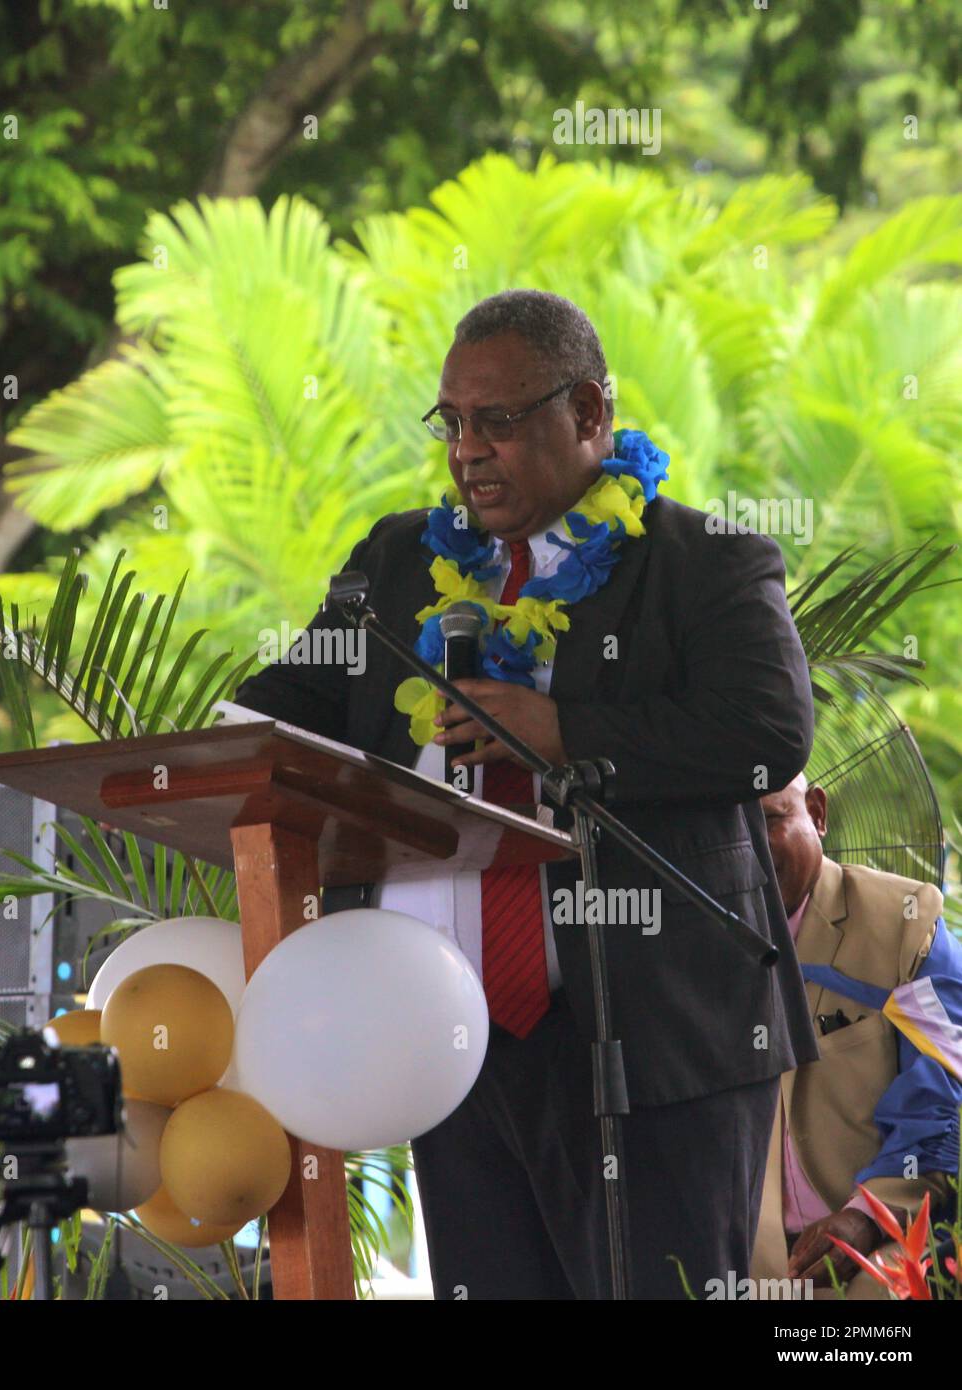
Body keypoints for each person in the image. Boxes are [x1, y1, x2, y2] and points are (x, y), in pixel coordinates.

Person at [232, 288, 818, 1298]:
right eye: (451, 421)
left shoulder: (702, 564)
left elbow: (766, 731)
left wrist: (563, 732)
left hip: (652, 1041)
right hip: (443, 1037)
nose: (466, 450)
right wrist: (207, 749)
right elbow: (287, 701)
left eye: (496, 420)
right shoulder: (396, 562)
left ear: (588, 414)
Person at [752, 772, 962, 1298]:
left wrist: (865, 1218)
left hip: (884, 1238)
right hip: (749, 1260)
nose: (746, 847)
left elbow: (947, 1095)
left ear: (817, 813)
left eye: (770, 819)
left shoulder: (906, 925)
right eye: (724, 829)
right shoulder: (685, 944)